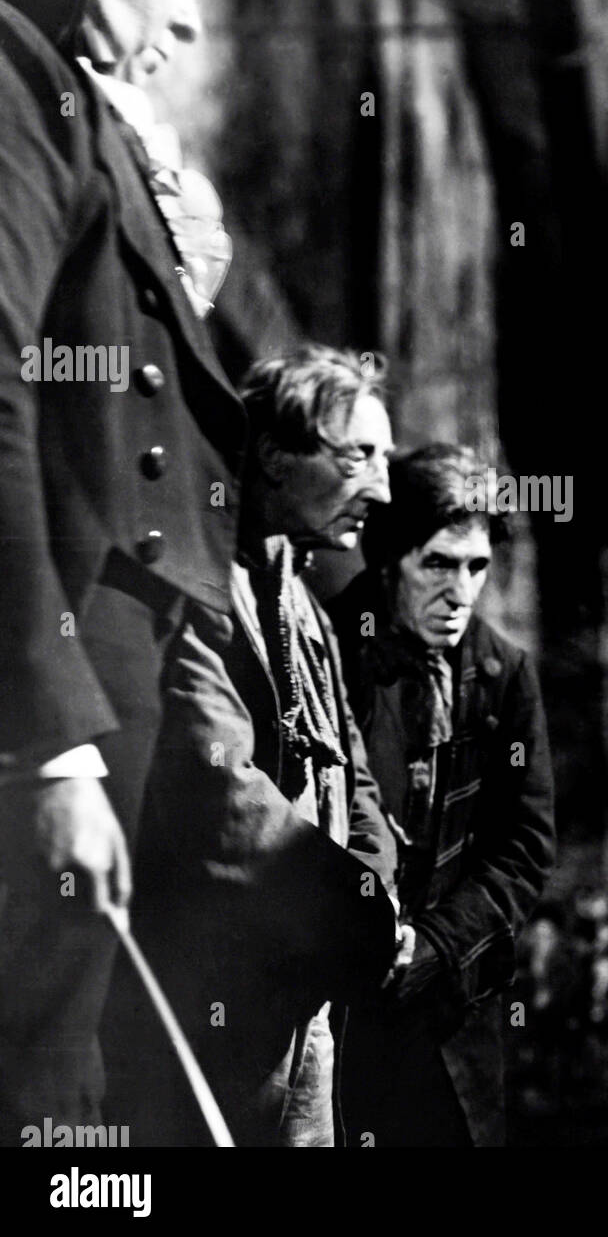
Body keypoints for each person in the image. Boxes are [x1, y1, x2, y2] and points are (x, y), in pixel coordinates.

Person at [0, 0, 246, 1143]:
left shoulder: (84, 114)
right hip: (70, 685)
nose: (193, 13)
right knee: (47, 1088)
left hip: (135, 669)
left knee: (109, 1079)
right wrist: (50, 739)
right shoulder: (15, 88)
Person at [109, 345, 400, 1146]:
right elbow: (221, 800)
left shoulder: (303, 603)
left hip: (309, 1006)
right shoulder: (192, 583)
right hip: (214, 1010)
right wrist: (362, 911)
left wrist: (377, 892)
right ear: (273, 457)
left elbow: (358, 779)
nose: (379, 485)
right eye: (357, 456)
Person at [328, 444, 555, 1146]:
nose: (459, 592)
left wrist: (434, 944)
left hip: (453, 1006)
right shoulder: (329, 645)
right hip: (335, 1000)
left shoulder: (503, 673)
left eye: (476, 567)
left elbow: (525, 846)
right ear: (390, 558)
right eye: (437, 564)